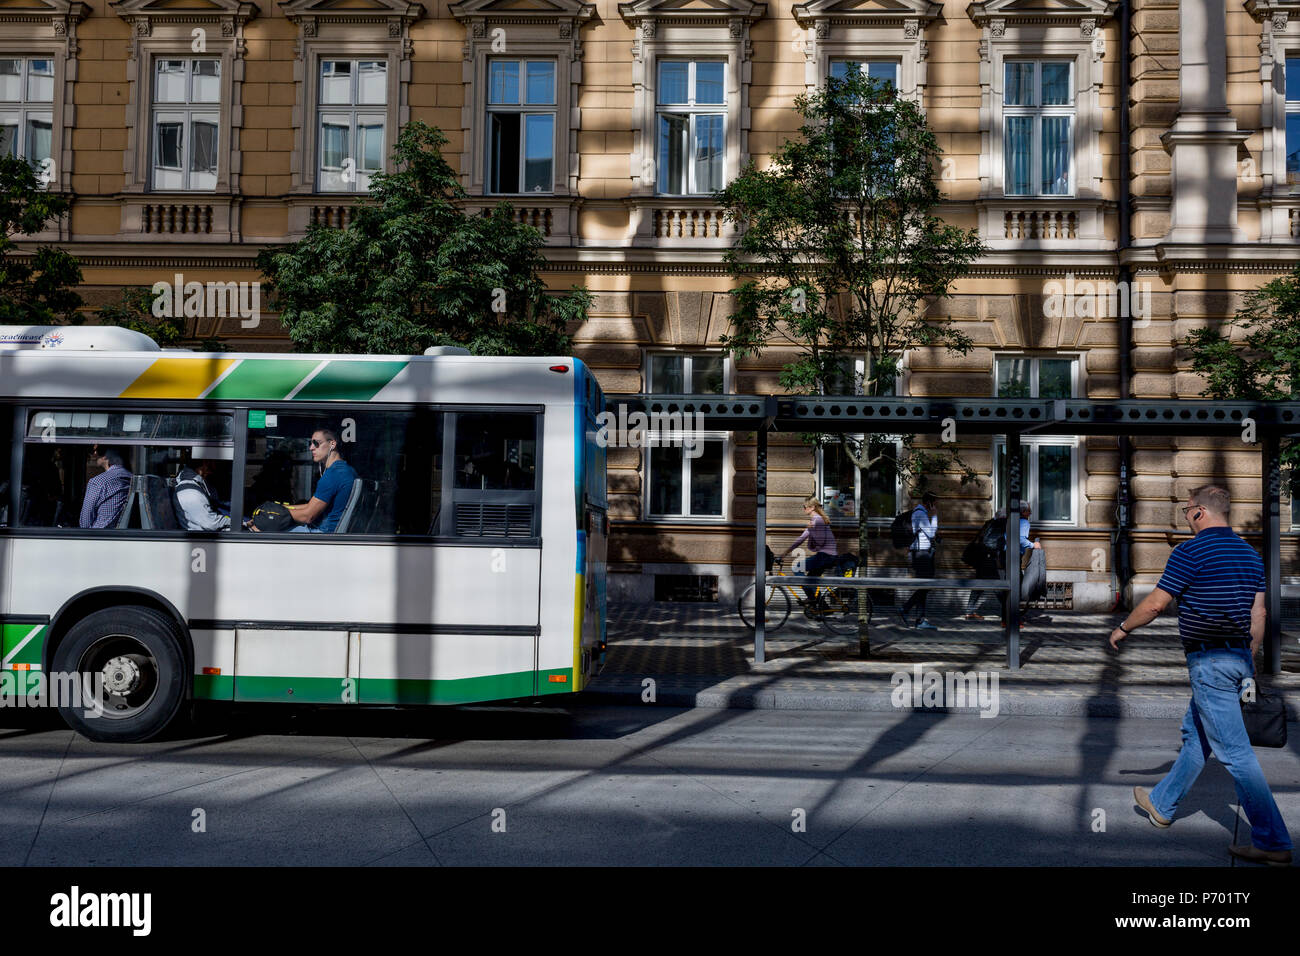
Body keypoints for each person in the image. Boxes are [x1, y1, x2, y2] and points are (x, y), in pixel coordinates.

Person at [1112, 485, 1292, 866]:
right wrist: (1249, 657)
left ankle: (1273, 842)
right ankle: (1162, 804)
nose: (1184, 517)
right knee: (1196, 737)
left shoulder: (1190, 552)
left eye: (1185, 511)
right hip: (1239, 658)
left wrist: (1123, 628)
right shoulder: (1249, 555)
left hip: (1209, 662)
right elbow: (1258, 616)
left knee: (1237, 755)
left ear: (1198, 513)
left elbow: (1157, 604)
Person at [286, 427, 358, 534]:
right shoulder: (346, 469)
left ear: (332, 444)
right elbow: (310, 506)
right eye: (311, 443)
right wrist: (285, 508)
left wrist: (273, 513)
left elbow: (308, 516)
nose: (311, 448)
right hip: (328, 531)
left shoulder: (334, 474)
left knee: (265, 528)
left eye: (316, 443)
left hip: (323, 533)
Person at [780, 497, 838, 609]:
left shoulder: (818, 520)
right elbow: (800, 539)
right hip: (824, 556)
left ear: (812, 507)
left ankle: (812, 598)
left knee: (797, 567)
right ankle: (823, 607)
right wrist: (785, 553)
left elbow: (821, 542)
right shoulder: (814, 521)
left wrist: (811, 530)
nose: (803, 509)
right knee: (811, 581)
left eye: (804, 507)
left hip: (827, 556)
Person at [900, 492, 939, 629]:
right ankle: (907, 609)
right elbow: (931, 533)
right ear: (929, 503)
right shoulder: (920, 514)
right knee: (926, 585)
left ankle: (919, 619)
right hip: (921, 554)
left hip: (922, 553)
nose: (936, 506)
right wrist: (934, 516)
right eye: (934, 503)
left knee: (924, 585)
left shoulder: (919, 513)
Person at [964, 509, 1005, 620]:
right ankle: (1008, 612)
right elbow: (994, 542)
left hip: (981, 558)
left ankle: (969, 612)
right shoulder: (999, 524)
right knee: (998, 586)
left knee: (978, 586)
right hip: (988, 559)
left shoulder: (989, 522)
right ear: (1003, 517)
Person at [79, 445, 132, 529]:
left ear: (108, 455)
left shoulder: (98, 482)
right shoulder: (132, 478)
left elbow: (85, 523)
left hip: (100, 535)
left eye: (99, 450)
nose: (94, 453)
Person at [174, 457, 230, 531]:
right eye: (211, 463)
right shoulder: (189, 491)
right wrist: (239, 523)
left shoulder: (200, 483)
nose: (213, 468)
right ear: (204, 463)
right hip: (202, 538)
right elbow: (210, 523)